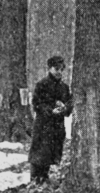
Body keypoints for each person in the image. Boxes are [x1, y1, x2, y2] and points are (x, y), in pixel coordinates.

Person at [29, 55, 73, 185]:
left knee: (51, 153)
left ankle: (45, 177)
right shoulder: (42, 84)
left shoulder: (64, 87)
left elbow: (70, 103)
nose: (59, 72)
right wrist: (50, 110)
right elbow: (37, 104)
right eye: (56, 69)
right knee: (39, 154)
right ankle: (35, 179)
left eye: (61, 69)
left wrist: (65, 108)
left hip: (57, 125)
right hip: (43, 124)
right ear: (49, 68)